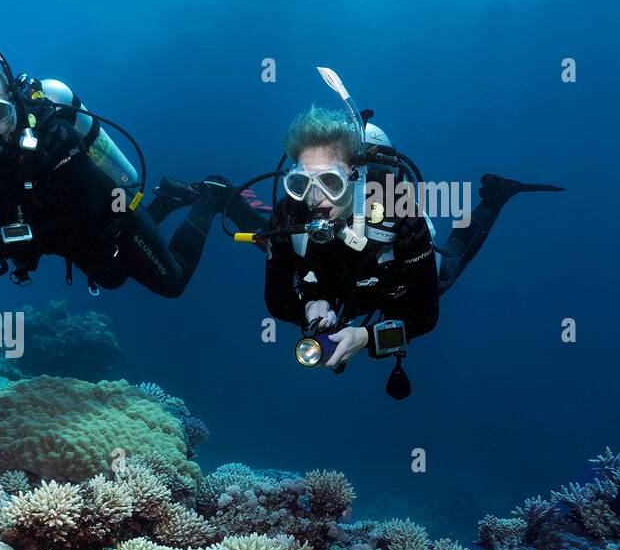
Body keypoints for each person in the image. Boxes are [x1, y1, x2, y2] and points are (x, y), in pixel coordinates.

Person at [235, 105, 562, 371]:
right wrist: (309, 305)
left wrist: (366, 337)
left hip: (392, 283)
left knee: (448, 264)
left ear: (355, 176)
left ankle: (495, 197)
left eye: (330, 182)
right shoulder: (288, 213)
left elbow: (425, 317)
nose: (314, 197)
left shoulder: (399, 211)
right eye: (301, 183)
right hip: (330, 283)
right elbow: (277, 300)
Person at [0, 61, 265, 298]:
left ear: (13, 103)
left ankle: (211, 195)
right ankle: (168, 198)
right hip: (60, 236)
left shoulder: (56, 138)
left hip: (110, 217)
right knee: (112, 277)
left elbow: (80, 216)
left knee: (172, 283)